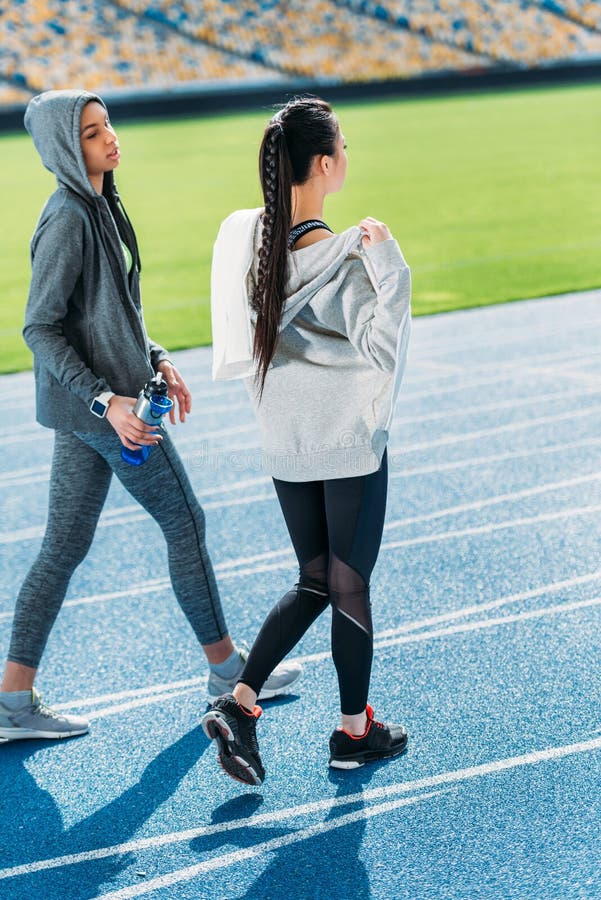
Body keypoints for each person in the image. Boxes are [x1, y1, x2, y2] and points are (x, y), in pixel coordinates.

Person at [0, 89, 301, 744]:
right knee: (184, 520)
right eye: (89, 133)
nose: (109, 138)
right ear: (62, 148)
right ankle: (226, 671)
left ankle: (11, 700)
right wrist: (109, 402)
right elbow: (41, 330)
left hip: (97, 405)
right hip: (104, 410)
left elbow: (107, 319)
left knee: (63, 544)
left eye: (106, 125)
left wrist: (157, 358)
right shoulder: (68, 218)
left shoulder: (102, 206)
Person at [201, 97, 411, 784]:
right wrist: (390, 266)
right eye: (343, 145)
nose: (347, 154)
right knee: (348, 583)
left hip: (285, 441)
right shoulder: (345, 258)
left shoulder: (253, 253)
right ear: (323, 164)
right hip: (346, 440)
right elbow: (383, 350)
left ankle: (239, 703)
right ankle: (353, 731)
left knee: (314, 578)